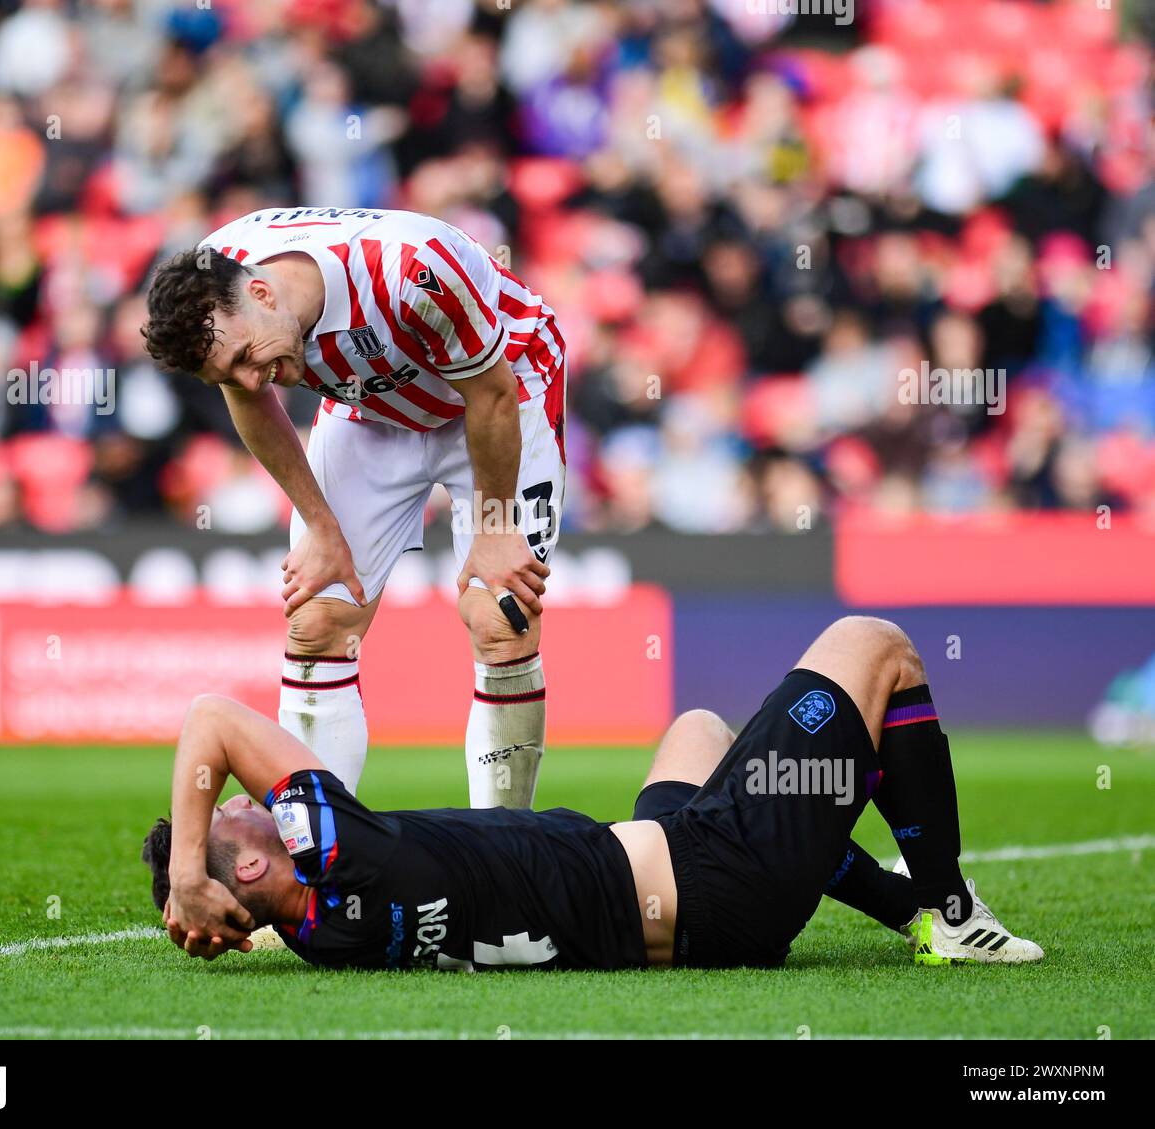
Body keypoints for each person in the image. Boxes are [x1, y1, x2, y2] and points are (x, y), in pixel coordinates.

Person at [143, 616, 1043, 970]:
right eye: (228, 815)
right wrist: (191, 869)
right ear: (256, 857)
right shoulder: (345, 851)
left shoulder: (322, 930)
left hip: (663, 875)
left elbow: (251, 873)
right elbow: (211, 718)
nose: (228, 798)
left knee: (698, 729)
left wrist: (220, 905)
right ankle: (951, 909)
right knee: (875, 643)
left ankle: (900, 907)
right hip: (717, 882)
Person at [142, 206, 567, 807]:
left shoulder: (413, 272)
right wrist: (320, 527)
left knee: (501, 615)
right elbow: (250, 400)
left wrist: (496, 529)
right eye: (231, 371)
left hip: (502, 389)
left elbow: (492, 396)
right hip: (368, 403)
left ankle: (507, 850)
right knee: (315, 621)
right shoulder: (215, 282)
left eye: (246, 356)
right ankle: (321, 852)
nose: (254, 378)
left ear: (262, 291)